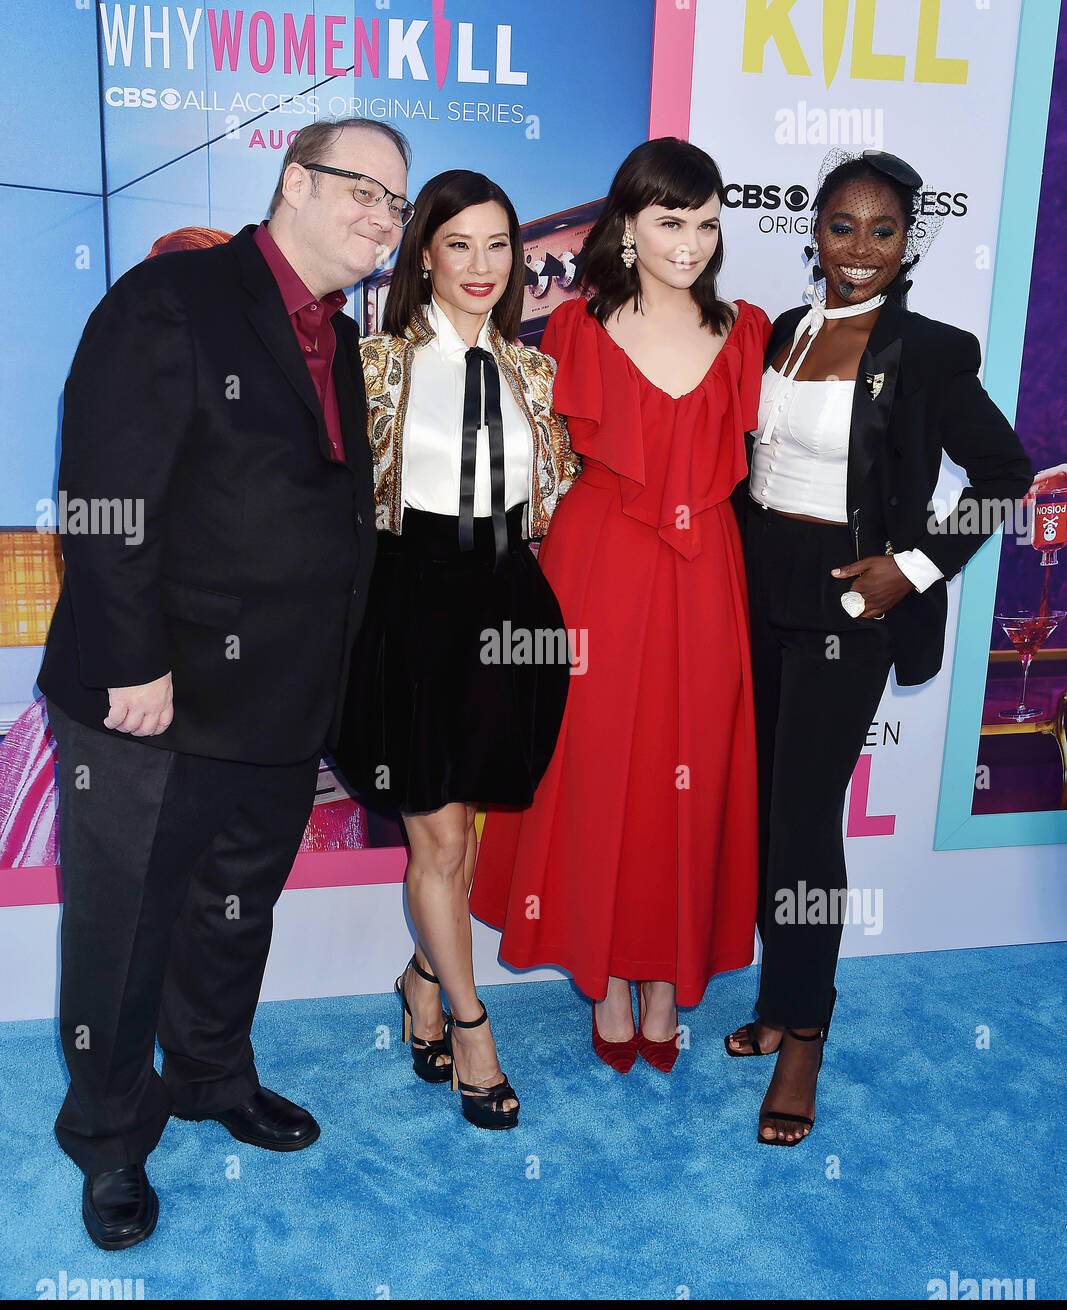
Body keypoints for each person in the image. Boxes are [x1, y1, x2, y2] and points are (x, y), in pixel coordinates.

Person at [36, 116, 410, 1247]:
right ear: (293, 182)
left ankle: (208, 1073)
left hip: (281, 699)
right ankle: (106, 1136)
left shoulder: (335, 335)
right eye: (361, 190)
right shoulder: (172, 301)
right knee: (124, 927)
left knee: (236, 904)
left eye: (395, 204)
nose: (381, 218)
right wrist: (132, 663)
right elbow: (105, 498)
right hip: (156, 696)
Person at [722, 149, 1033, 1144]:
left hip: (842, 603)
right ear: (811, 231)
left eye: (882, 230)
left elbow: (1003, 473)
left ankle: (805, 1032)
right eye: (840, 226)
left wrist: (914, 565)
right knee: (767, 811)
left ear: (910, 242)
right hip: (748, 585)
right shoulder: (777, 331)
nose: (858, 249)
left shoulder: (929, 352)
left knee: (805, 819)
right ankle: (778, 998)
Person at [469, 137, 771, 1071]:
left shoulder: (752, 330)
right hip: (596, 566)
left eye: (708, 224)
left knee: (690, 763)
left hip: (705, 572)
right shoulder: (573, 330)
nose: (690, 243)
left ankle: (660, 973)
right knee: (599, 765)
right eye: (670, 221)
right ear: (627, 226)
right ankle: (601, 973)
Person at [328, 170, 579, 1130]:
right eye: (458, 244)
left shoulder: (536, 372)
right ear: (421, 252)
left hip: (508, 604)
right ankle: (472, 1028)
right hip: (408, 607)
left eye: (498, 246)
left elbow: (551, 504)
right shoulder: (375, 365)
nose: (480, 266)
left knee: (467, 829)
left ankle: (421, 978)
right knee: (436, 833)